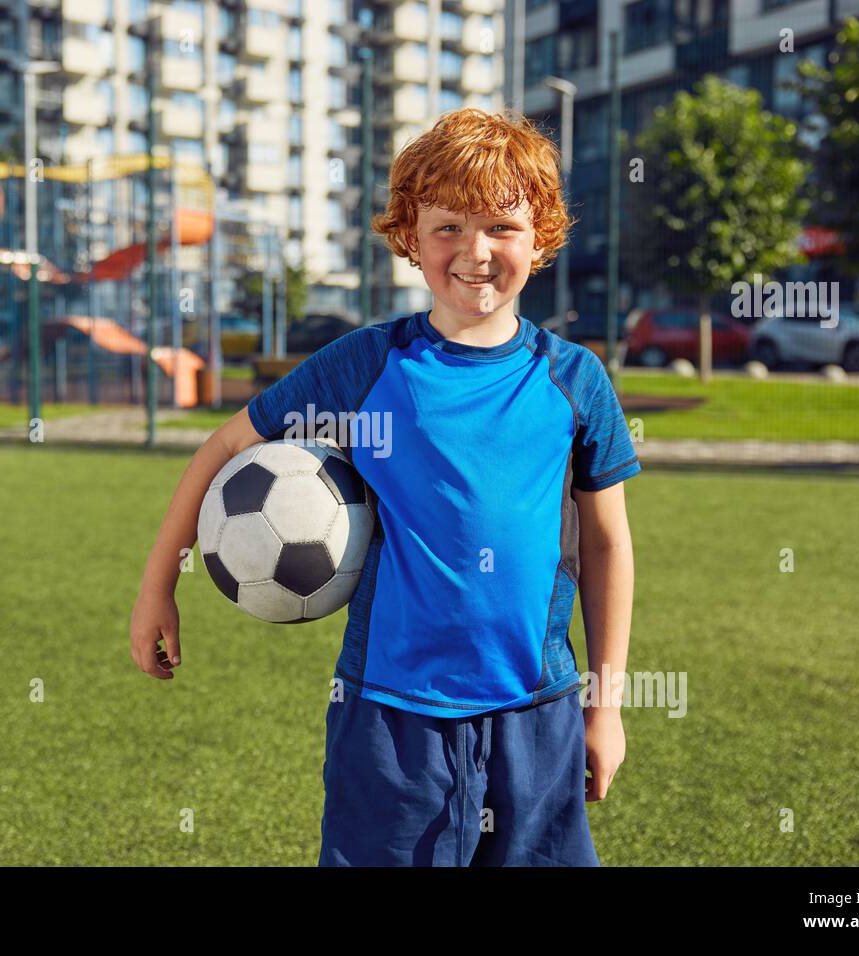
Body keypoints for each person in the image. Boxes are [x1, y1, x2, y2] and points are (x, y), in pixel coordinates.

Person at [130, 107, 640, 866]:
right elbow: (224, 447)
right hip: (388, 718)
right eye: (448, 228)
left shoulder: (574, 380)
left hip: (538, 710)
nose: (476, 251)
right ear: (409, 236)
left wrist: (607, 705)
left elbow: (606, 544)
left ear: (542, 236)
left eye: (502, 227)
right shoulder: (366, 366)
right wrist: (156, 587)